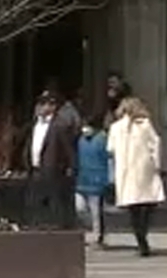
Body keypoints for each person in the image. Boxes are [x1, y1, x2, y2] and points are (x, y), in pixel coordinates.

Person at [109, 96, 166, 257]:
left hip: (127, 171)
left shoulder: (116, 127)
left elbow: (111, 149)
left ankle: (140, 237)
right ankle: (143, 234)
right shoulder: (145, 125)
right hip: (144, 169)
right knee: (147, 205)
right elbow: (155, 145)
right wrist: (158, 165)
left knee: (134, 207)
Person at [22, 91, 78, 228]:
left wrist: (71, 167)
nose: (40, 108)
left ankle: (57, 228)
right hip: (35, 170)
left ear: (52, 106)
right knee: (34, 201)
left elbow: (68, 150)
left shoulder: (59, 125)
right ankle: (36, 226)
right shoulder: (35, 124)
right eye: (40, 104)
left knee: (54, 202)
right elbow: (30, 144)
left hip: (53, 171)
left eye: (45, 104)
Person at [75, 115, 112, 247]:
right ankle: (90, 230)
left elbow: (109, 159)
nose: (85, 129)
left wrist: (109, 178)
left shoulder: (103, 139)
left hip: (97, 180)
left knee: (96, 211)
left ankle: (98, 236)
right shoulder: (81, 140)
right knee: (80, 208)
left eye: (88, 127)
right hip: (82, 179)